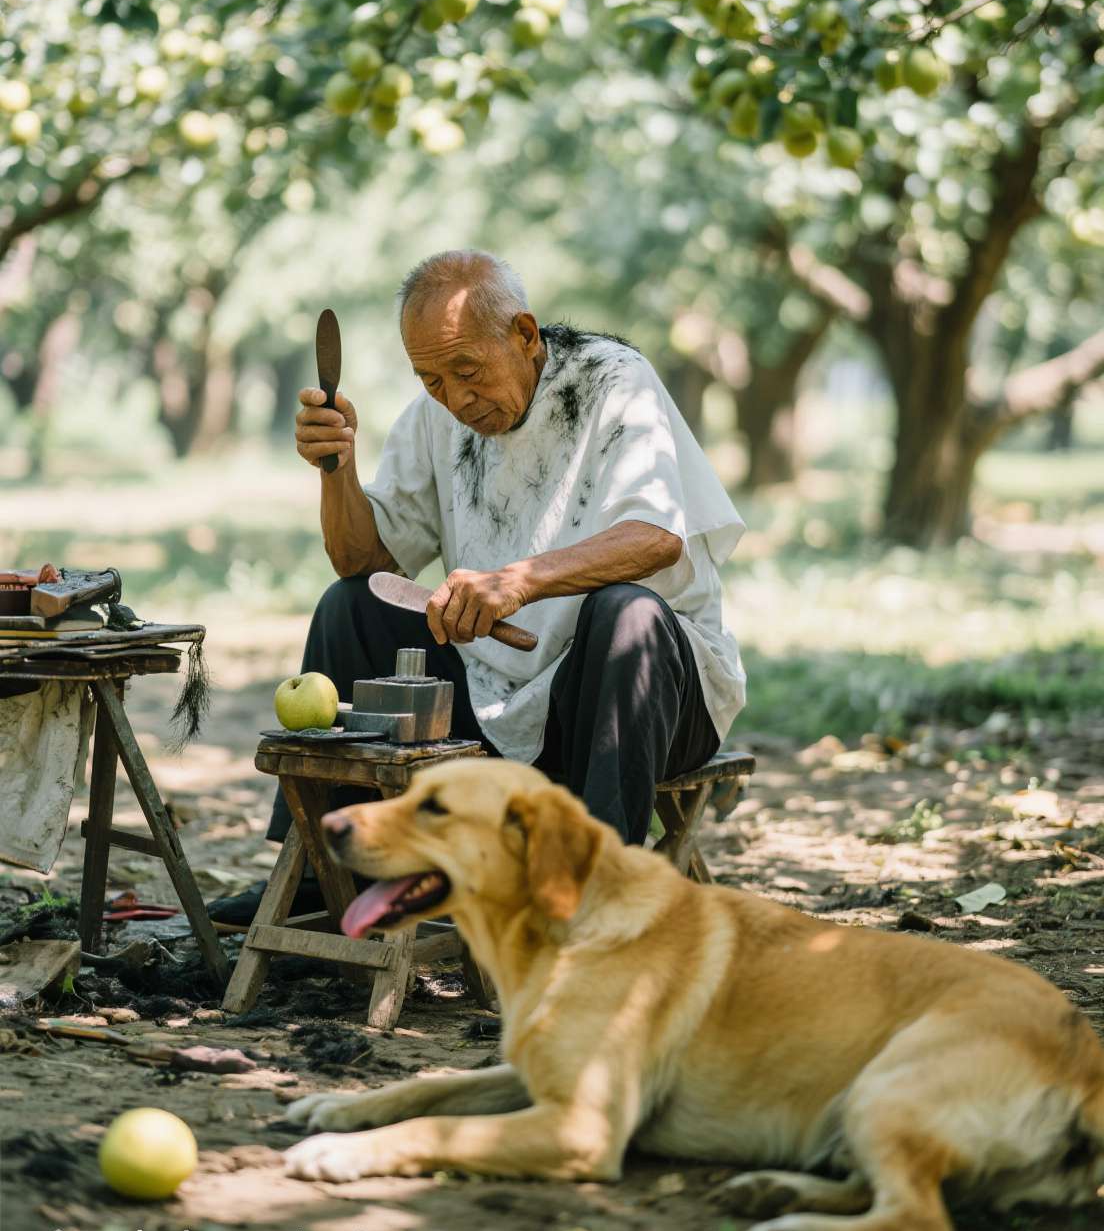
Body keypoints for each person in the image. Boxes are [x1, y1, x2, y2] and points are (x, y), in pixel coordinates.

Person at [210, 251, 746, 923]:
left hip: (645, 700)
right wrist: (335, 468)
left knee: (628, 614)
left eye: (468, 371)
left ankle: (595, 896)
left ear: (524, 335)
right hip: (497, 692)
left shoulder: (614, 380)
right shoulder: (437, 413)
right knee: (350, 606)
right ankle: (322, 872)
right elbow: (362, 560)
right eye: (431, 379)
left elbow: (656, 537)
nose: (456, 398)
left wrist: (518, 581)